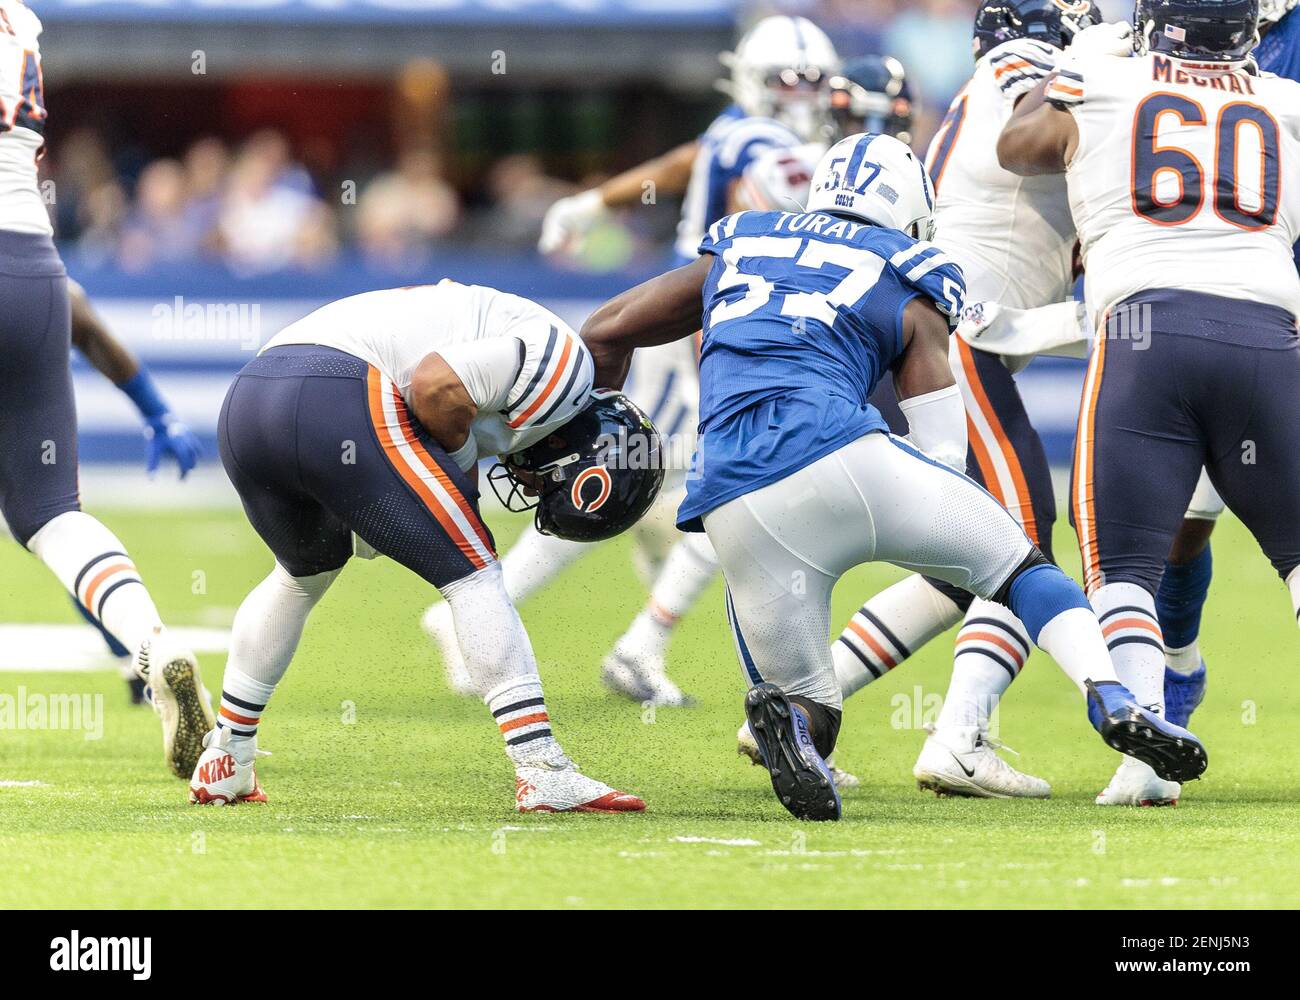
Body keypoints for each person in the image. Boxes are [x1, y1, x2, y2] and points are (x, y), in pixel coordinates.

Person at [580, 133, 1206, 821]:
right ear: (908, 206)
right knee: (1021, 565)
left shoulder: (740, 239)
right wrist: (934, 538)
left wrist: (596, 434)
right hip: (843, 452)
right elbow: (941, 447)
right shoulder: (911, 266)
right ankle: (1110, 694)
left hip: (733, 493)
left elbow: (607, 327)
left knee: (812, 711)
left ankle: (793, 724)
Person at [423, 15, 841, 707]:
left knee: (664, 497)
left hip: (689, 323)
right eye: (784, 80)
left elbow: (684, 163)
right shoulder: (767, 144)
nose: (799, 94)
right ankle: (490, 614)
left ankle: (640, 648)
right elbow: (753, 200)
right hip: (699, 332)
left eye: (811, 81)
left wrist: (592, 200)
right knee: (654, 488)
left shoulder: (734, 131)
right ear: (751, 80)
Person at [189, 281, 657, 813]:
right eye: (547, 483)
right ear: (576, 449)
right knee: (474, 573)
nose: (530, 487)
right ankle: (542, 767)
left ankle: (227, 758)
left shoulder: (514, 343)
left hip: (251, 398)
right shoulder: (566, 367)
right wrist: (456, 471)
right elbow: (437, 387)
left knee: (300, 575)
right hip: (334, 386)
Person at [999, 0, 1300, 802]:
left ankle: (1144, 762)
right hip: (1270, 335)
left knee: (1122, 562)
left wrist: (1066, 70)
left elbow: (1018, 146)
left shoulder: (1103, 76)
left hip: (1144, 330)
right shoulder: (1285, 101)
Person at [0, 1, 214, 779]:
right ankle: (153, 645)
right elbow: (82, 315)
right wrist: (157, 410)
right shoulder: (22, 26)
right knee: (53, 513)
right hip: (33, 269)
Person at [67, 279, 203, 704]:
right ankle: (144, 653)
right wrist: (158, 414)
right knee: (64, 534)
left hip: (30, 426)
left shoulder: (47, 282)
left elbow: (85, 327)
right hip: (33, 427)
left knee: (63, 532)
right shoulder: (45, 279)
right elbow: (88, 329)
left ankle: (139, 655)